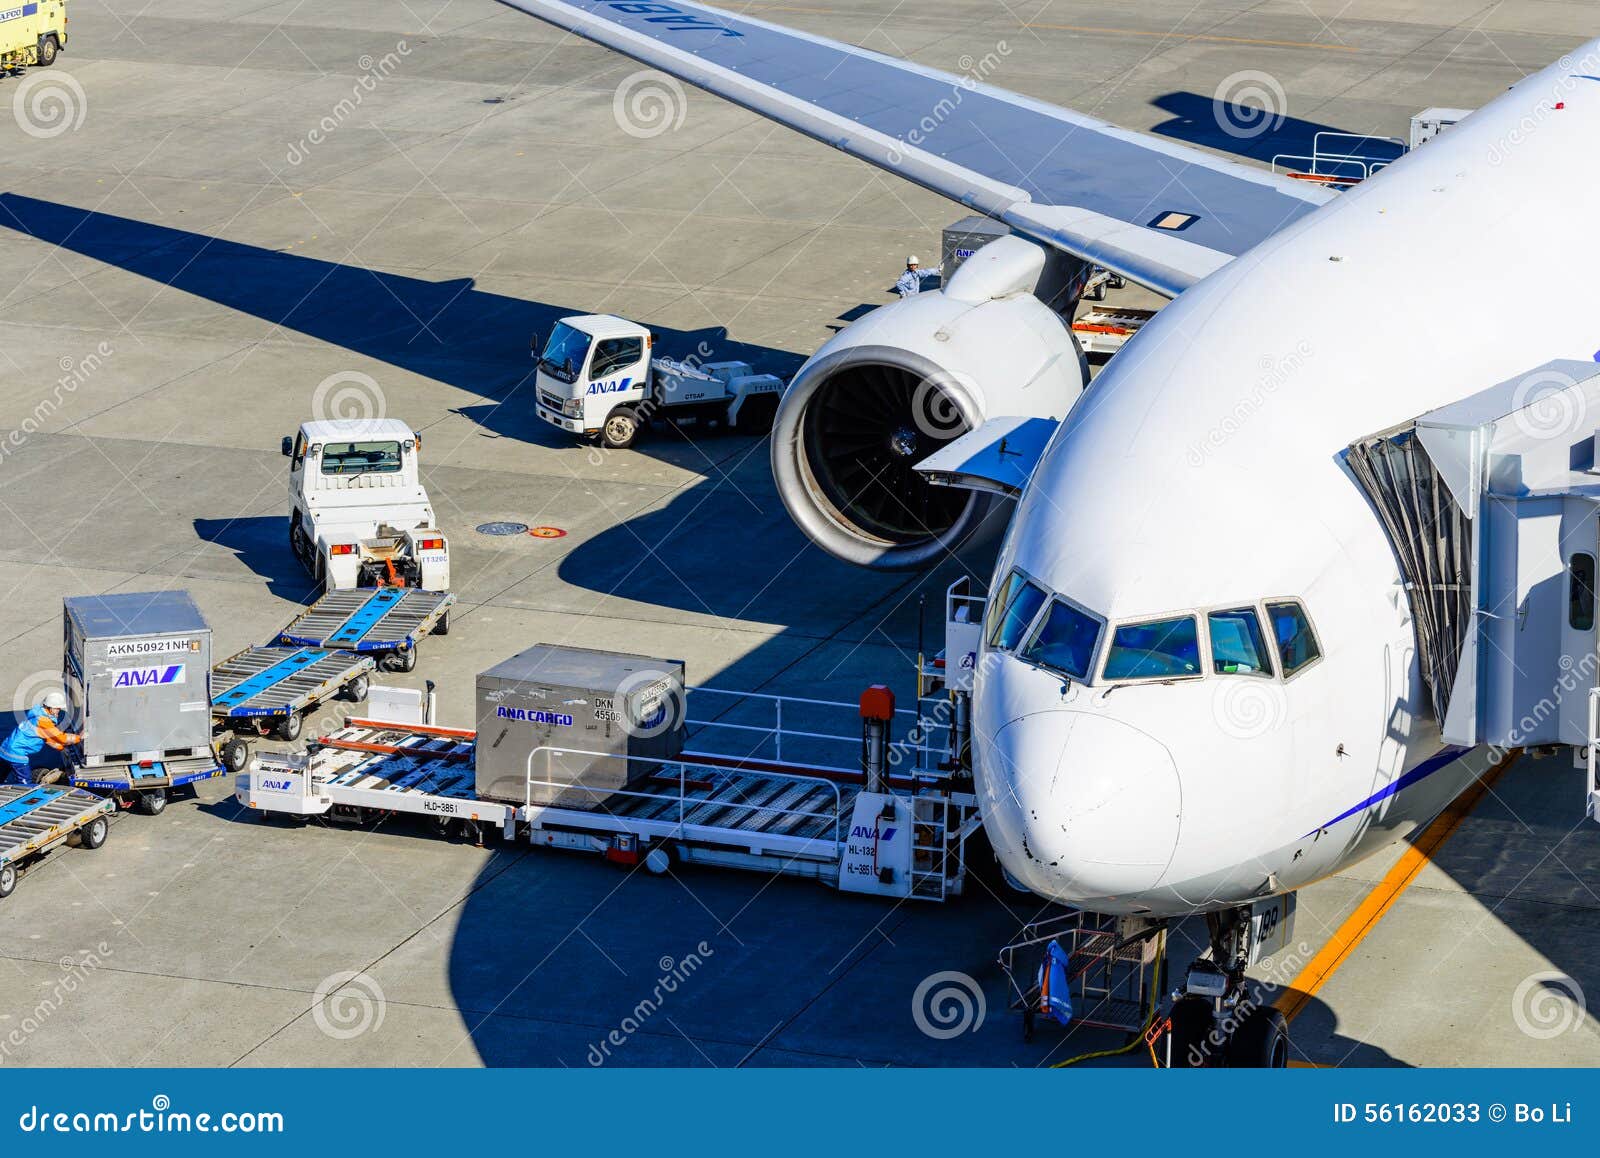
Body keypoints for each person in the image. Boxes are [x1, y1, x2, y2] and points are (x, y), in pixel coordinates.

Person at [0, 690, 80, 786]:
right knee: (25, 783)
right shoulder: (43, 721)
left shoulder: (36, 713)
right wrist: (79, 737)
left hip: (5, 749)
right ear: (50, 708)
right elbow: (61, 738)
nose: (59, 711)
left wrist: (61, 748)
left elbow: (48, 739)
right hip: (17, 753)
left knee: (2, 775)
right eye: (57, 708)